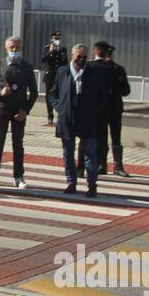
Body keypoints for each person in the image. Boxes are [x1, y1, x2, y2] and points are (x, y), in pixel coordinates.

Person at [54, 43, 110, 197]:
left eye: (85, 57)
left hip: (87, 120)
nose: (81, 60)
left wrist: (93, 111)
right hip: (67, 119)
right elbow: (53, 93)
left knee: (89, 153)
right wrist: (60, 107)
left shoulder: (94, 73)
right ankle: (71, 182)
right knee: (68, 152)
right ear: (72, 56)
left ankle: (92, 186)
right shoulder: (63, 71)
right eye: (79, 57)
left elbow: (103, 96)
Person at [0, 36, 37, 188]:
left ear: (21, 49)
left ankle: (19, 177)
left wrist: (26, 110)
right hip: (1, 108)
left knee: (18, 144)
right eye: (11, 48)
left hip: (19, 110)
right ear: (6, 48)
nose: (14, 50)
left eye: (17, 48)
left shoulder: (27, 67)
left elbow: (33, 92)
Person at [99, 42, 131, 177]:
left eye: (110, 55)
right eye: (107, 55)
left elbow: (126, 90)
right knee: (102, 137)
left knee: (116, 136)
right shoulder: (98, 69)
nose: (109, 57)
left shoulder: (119, 70)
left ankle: (118, 166)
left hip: (115, 108)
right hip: (102, 108)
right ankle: (102, 165)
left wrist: (116, 87)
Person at [41, 31, 68, 124]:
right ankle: (50, 115)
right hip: (50, 76)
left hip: (59, 77)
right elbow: (43, 59)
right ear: (51, 39)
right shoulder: (47, 48)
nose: (57, 40)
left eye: (59, 38)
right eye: (56, 38)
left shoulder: (63, 49)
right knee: (49, 96)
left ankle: (60, 114)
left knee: (60, 95)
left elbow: (65, 63)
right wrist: (51, 51)